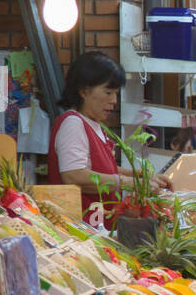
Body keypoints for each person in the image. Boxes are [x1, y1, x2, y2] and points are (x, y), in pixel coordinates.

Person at [47, 51, 169, 225]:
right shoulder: (72, 124)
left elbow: (102, 169)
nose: (114, 101)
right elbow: (73, 175)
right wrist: (129, 182)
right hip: (80, 229)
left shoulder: (93, 124)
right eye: (108, 92)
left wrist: (143, 177)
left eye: (116, 94)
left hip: (99, 227)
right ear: (84, 91)